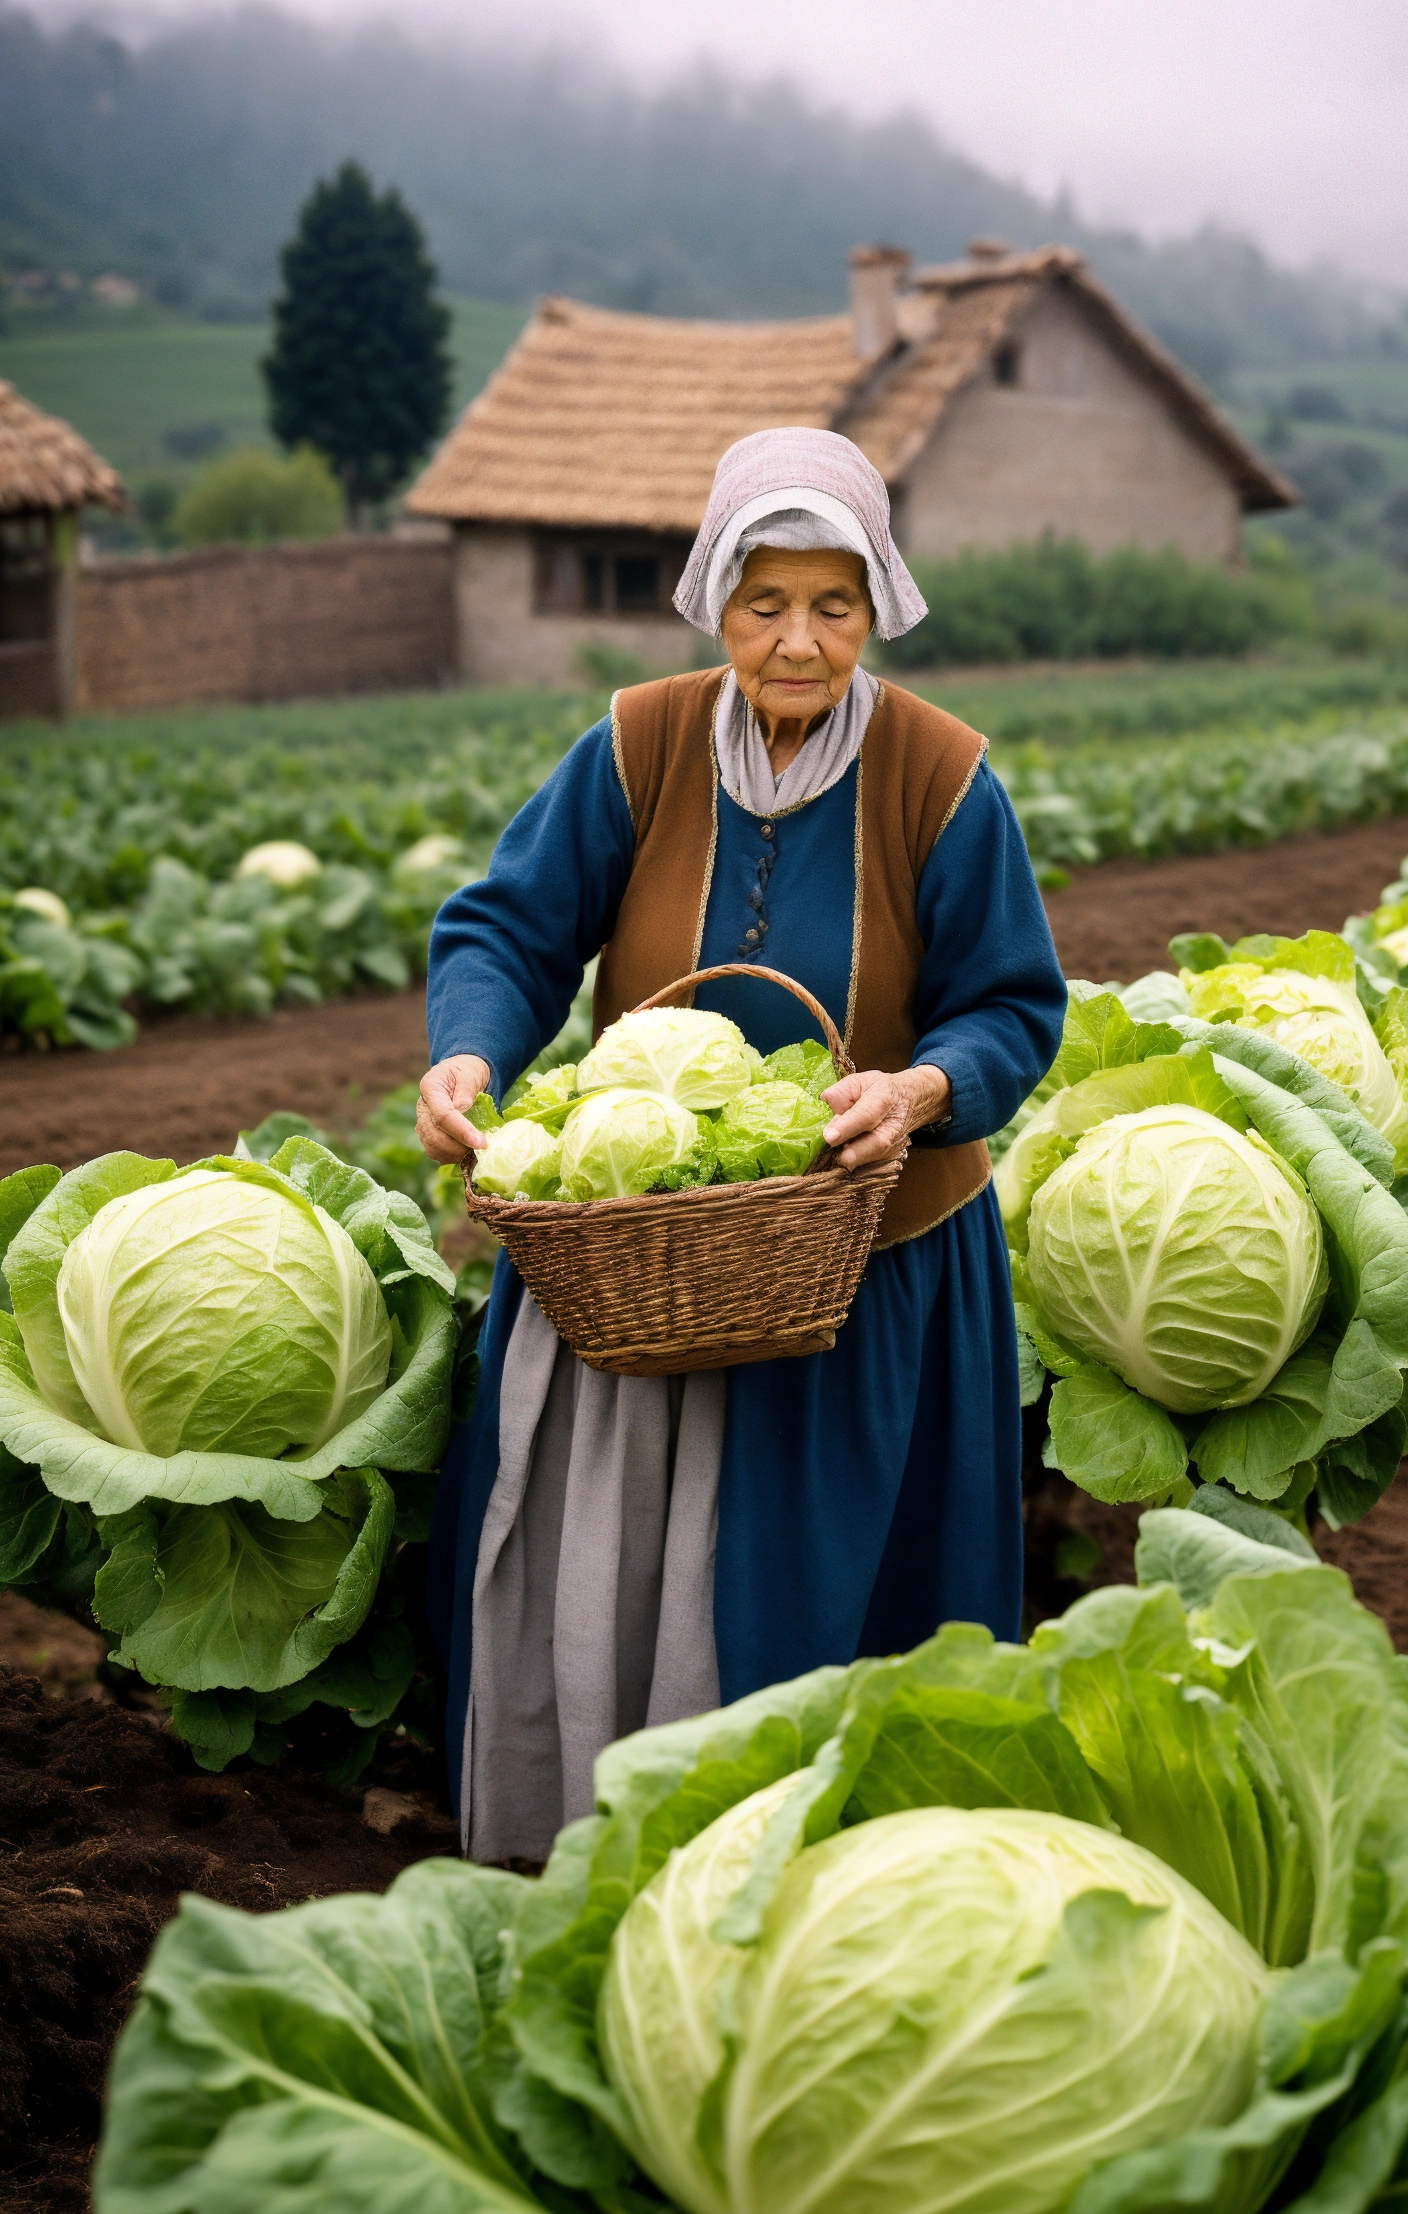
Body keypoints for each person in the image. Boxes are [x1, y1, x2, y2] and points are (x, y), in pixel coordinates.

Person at [418, 427, 1067, 1863]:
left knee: (816, 1592)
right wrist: (470, 1047)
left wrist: (922, 1090)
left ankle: (825, 1866)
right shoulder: (638, 745)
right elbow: (509, 929)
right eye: (764, 603)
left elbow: (1014, 1005)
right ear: (716, 599)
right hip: (634, 1257)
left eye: (833, 606)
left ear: (876, 608)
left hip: (870, 1265)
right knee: (600, 1564)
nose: (796, 642)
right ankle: (578, 1840)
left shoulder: (942, 778)